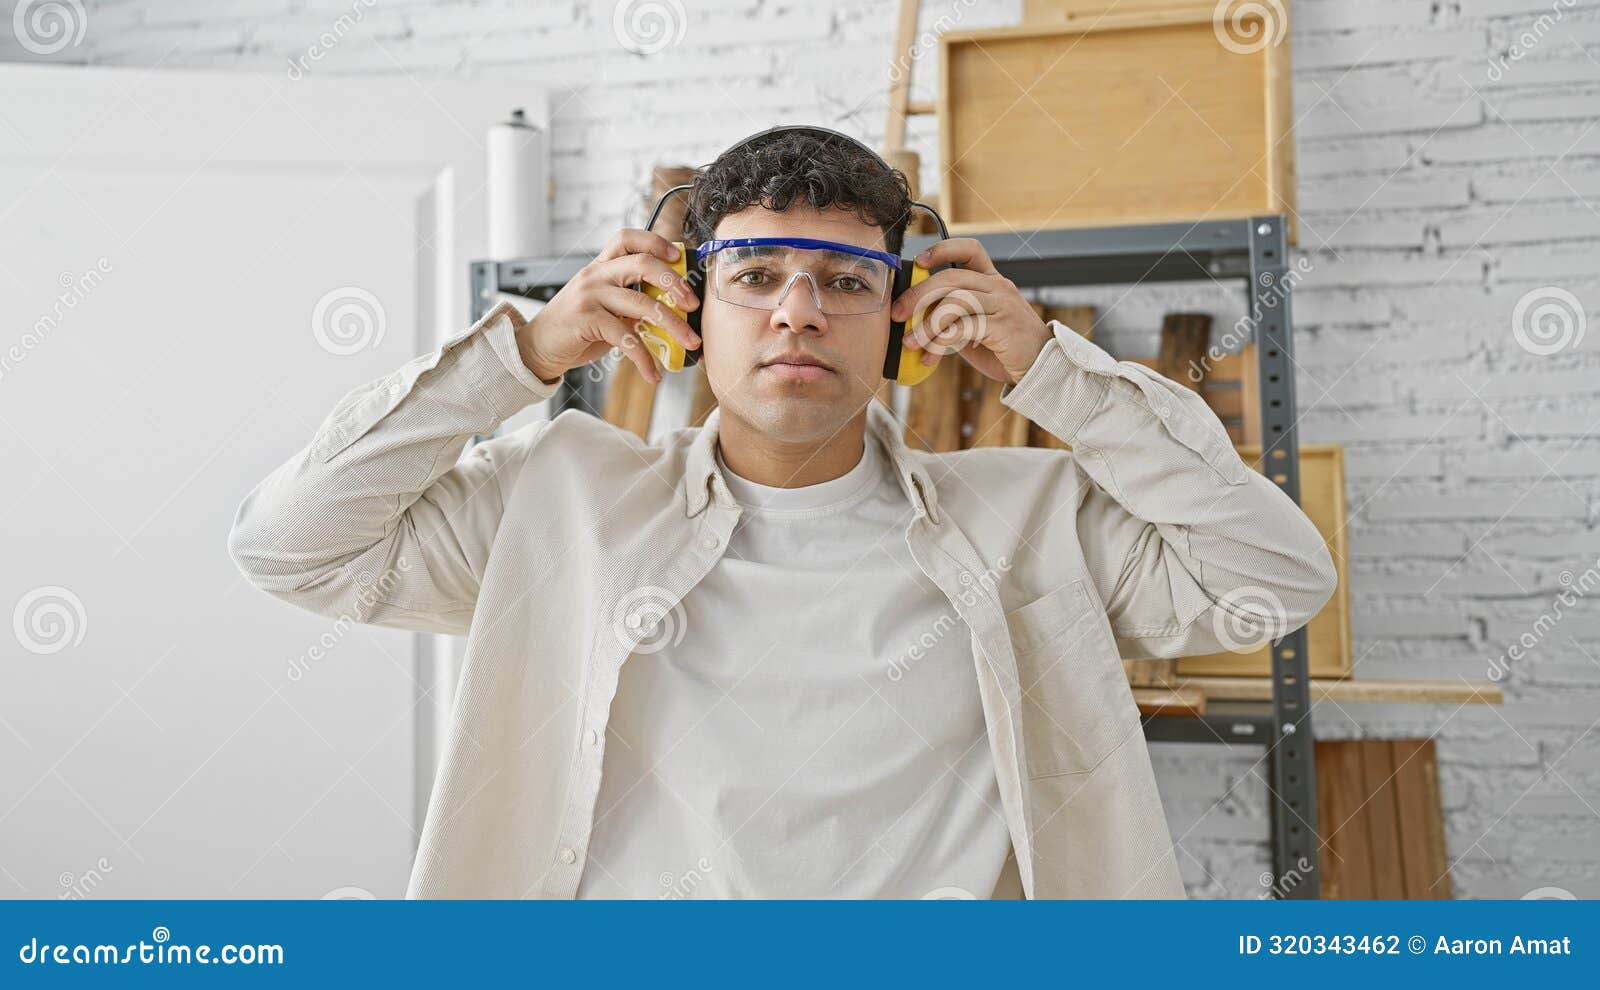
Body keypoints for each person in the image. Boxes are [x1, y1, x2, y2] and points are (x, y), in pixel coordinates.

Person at [228, 125, 1336, 900]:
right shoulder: (559, 499)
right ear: (685, 309)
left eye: (846, 282)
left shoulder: (1028, 519)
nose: (798, 313)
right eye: (756, 276)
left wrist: (1051, 368)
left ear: (903, 326)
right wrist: (524, 352)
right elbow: (290, 548)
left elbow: (1275, 579)